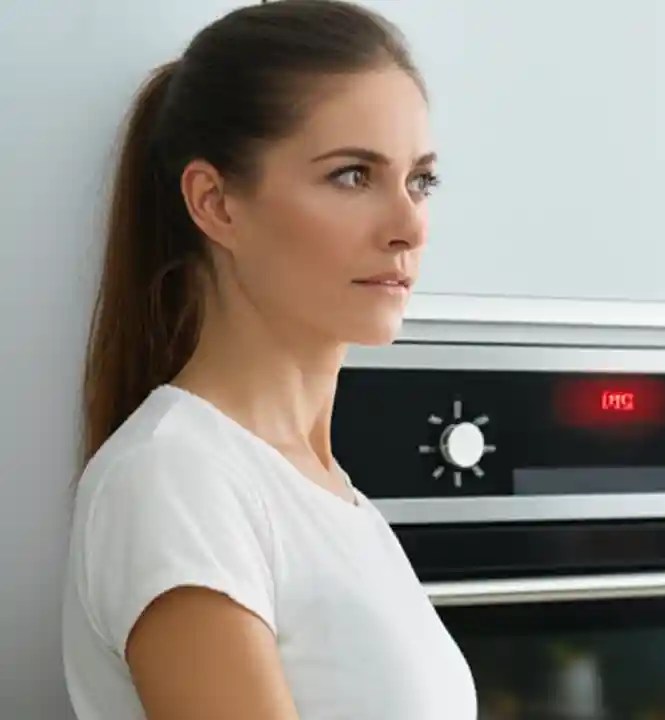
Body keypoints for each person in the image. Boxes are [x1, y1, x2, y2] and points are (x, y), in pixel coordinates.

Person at [60, 1, 476, 717]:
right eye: (352, 175)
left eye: (421, 180)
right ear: (216, 204)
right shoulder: (176, 480)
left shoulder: (326, 493)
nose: (410, 225)